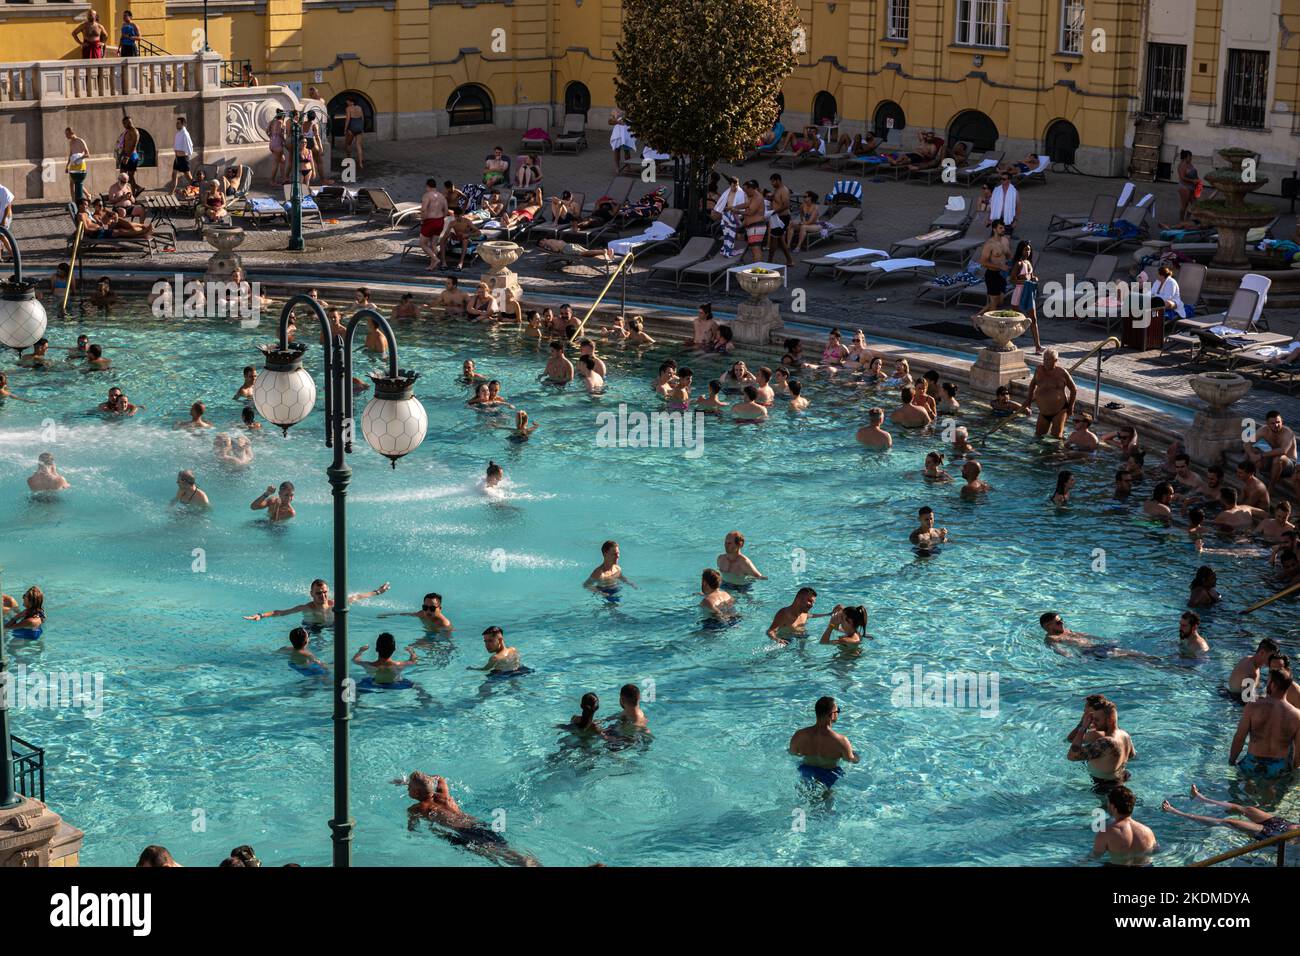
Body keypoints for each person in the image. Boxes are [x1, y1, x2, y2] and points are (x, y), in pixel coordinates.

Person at [403, 771, 539, 867]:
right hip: (477, 824)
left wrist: (412, 835)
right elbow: (439, 778)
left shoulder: (418, 808)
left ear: (416, 793)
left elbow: (412, 829)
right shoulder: (444, 795)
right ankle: (526, 861)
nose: (407, 788)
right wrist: (423, 782)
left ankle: (524, 862)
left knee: (496, 854)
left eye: (409, 787)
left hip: (463, 832)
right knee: (503, 848)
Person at [1163, 783, 1299, 841]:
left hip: (1278, 837)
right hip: (1285, 825)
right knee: (1246, 809)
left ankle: (1177, 812)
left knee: (1230, 822)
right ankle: (1202, 799)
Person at [1229, 667, 1300, 778]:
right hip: (1278, 767)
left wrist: (1232, 761)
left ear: (1272, 685)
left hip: (1252, 764)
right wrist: (1292, 771)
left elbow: (1240, 737)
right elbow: (1298, 753)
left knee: (1244, 789)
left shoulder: (1253, 706)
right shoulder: (1297, 715)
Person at [243, 578, 390, 625]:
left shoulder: (335, 604)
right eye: (319, 593)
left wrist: (378, 592)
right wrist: (261, 615)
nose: (323, 596)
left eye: (325, 592)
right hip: (313, 628)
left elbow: (357, 597)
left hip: (332, 627)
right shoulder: (307, 607)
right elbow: (280, 612)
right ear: (312, 594)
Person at [1066, 696, 1136, 792]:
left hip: (1103, 788)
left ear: (1110, 721)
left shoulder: (1106, 742)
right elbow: (1132, 755)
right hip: (1119, 781)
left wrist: (1083, 728)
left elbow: (1071, 756)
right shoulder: (1124, 735)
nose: (1093, 723)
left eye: (1097, 720)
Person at [788, 697, 859, 789]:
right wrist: (856, 755)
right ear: (832, 715)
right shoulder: (841, 741)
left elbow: (793, 753)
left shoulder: (799, 735)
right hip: (829, 774)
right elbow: (850, 760)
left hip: (806, 770)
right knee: (827, 798)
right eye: (838, 711)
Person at [1039, 611, 1158, 661]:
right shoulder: (1051, 638)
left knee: (1134, 653)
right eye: (1058, 622)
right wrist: (1071, 657)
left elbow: (1085, 635)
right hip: (1091, 653)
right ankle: (1161, 665)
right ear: (1048, 626)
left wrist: (1104, 640)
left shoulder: (1066, 631)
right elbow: (1057, 650)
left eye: (1062, 620)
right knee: (1129, 656)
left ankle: (1157, 661)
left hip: (1099, 647)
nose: (1062, 623)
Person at [1089, 786, 1157, 866]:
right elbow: (1156, 851)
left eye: (1108, 803)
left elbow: (1094, 857)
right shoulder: (1148, 831)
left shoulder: (1106, 833)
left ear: (1113, 807)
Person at [1017, 349, 1077, 438]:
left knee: (1056, 438)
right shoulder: (1039, 370)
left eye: (1048, 360)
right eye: (1044, 359)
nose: (1046, 362)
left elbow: (1074, 390)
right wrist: (1028, 400)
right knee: (1038, 436)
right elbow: (1033, 384)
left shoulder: (1062, 373)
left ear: (1055, 361)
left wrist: (1071, 406)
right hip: (1044, 411)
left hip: (1059, 410)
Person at [1243, 410, 1296, 491]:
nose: (1276, 425)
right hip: (1273, 461)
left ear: (1282, 422)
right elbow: (1246, 443)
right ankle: (1251, 482)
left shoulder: (1288, 433)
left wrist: (1261, 456)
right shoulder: (1264, 430)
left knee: (1278, 458)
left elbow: (1283, 451)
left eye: (1278, 422)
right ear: (1267, 424)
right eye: (1273, 423)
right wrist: (1252, 455)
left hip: (1289, 465)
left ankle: (1271, 488)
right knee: (1252, 451)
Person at [1009, 239, 1041, 352]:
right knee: (1014, 320)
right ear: (1020, 250)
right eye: (1025, 250)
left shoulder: (1028, 263)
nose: (1028, 252)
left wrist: (1034, 278)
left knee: (1033, 319)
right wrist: (1024, 282)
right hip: (1019, 293)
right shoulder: (1018, 264)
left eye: (1029, 250)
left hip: (1028, 293)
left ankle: (1038, 346)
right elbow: (1012, 280)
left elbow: (1030, 276)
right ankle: (1006, 343)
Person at [353, 632, 418, 687]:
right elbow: (413, 661)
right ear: (394, 649)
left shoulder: (368, 665)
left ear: (376, 649)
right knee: (416, 685)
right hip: (396, 685)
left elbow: (355, 660)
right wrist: (411, 652)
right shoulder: (400, 665)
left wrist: (360, 651)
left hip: (373, 685)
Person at [975, 220, 1011, 316]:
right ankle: (990, 326)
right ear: (994, 229)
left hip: (1002, 275)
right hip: (992, 275)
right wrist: (999, 266)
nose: (1003, 230)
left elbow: (1008, 255)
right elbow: (983, 262)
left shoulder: (1005, 240)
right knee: (994, 302)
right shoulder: (989, 244)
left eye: (1003, 227)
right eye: (1000, 228)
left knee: (999, 301)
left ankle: (977, 316)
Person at [379, 592, 453, 632]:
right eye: (425, 607)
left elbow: (447, 641)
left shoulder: (444, 624)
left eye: (432, 608)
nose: (428, 611)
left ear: (440, 609)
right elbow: (407, 614)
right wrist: (389, 615)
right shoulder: (422, 613)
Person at [417, 178, 449, 269]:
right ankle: (432, 265)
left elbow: (423, 209)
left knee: (423, 244)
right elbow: (446, 211)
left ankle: (435, 259)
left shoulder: (427, 196)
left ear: (427, 186)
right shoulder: (442, 196)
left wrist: (422, 220)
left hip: (430, 221)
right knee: (434, 244)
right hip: (440, 221)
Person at [65, 128, 90, 204]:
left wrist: (79, 158)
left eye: (67, 134)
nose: (66, 136)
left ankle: (86, 195)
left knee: (78, 182)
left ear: (71, 132)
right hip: (73, 164)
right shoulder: (70, 142)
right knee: (71, 183)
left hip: (80, 164)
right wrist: (67, 165)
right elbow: (71, 154)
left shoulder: (80, 141)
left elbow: (88, 154)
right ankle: (73, 201)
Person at [339, 97, 365, 171]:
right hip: (359, 126)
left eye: (348, 102)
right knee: (359, 146)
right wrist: (361, 128)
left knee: (348, 144)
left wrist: (345, 129)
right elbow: (362, 118)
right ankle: (360, 164)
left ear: (352, 102)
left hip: (352, 127)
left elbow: (348, 119)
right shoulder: (360, 107)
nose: (347, 103)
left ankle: (349, 161)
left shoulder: (348, 108)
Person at [1176, 149, 1200, 221]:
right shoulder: (1182, 165)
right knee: (1184, 205)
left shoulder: (1189, 164)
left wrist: (1197, 181)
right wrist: (1193, 181)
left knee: (1194, 205)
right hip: (1184, 187)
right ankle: (1181, 220)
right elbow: (1182, 177)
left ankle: (1187, 219)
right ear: (1186, 157)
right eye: (1190, 157)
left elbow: (1194, 173)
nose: (1191, 158)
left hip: (1192, 187)